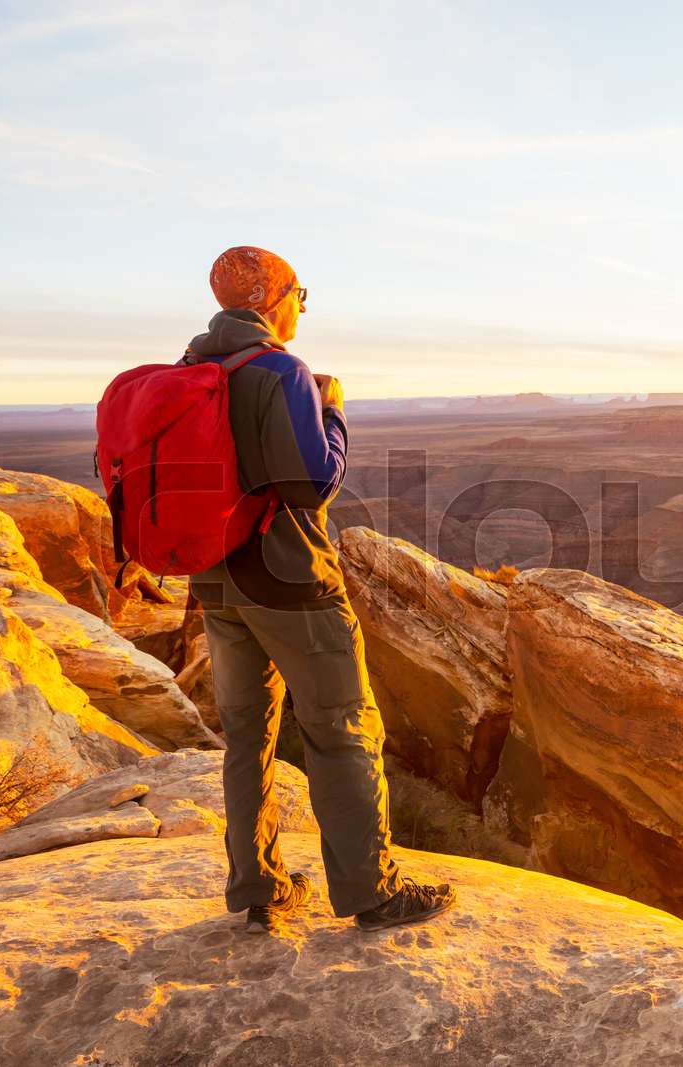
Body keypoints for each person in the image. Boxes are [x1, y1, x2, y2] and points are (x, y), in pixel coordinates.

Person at [186, 245, 453, 934]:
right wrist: (332, 411)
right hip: (288, 580)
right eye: (300, 296)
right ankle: (374, 892)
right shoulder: (282, 370)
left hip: (216, 580)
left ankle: (259, 886)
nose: (301, 309)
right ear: (275, 300)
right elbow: (314, 482)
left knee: (247, 737)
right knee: (344, 730)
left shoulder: (190, 370)